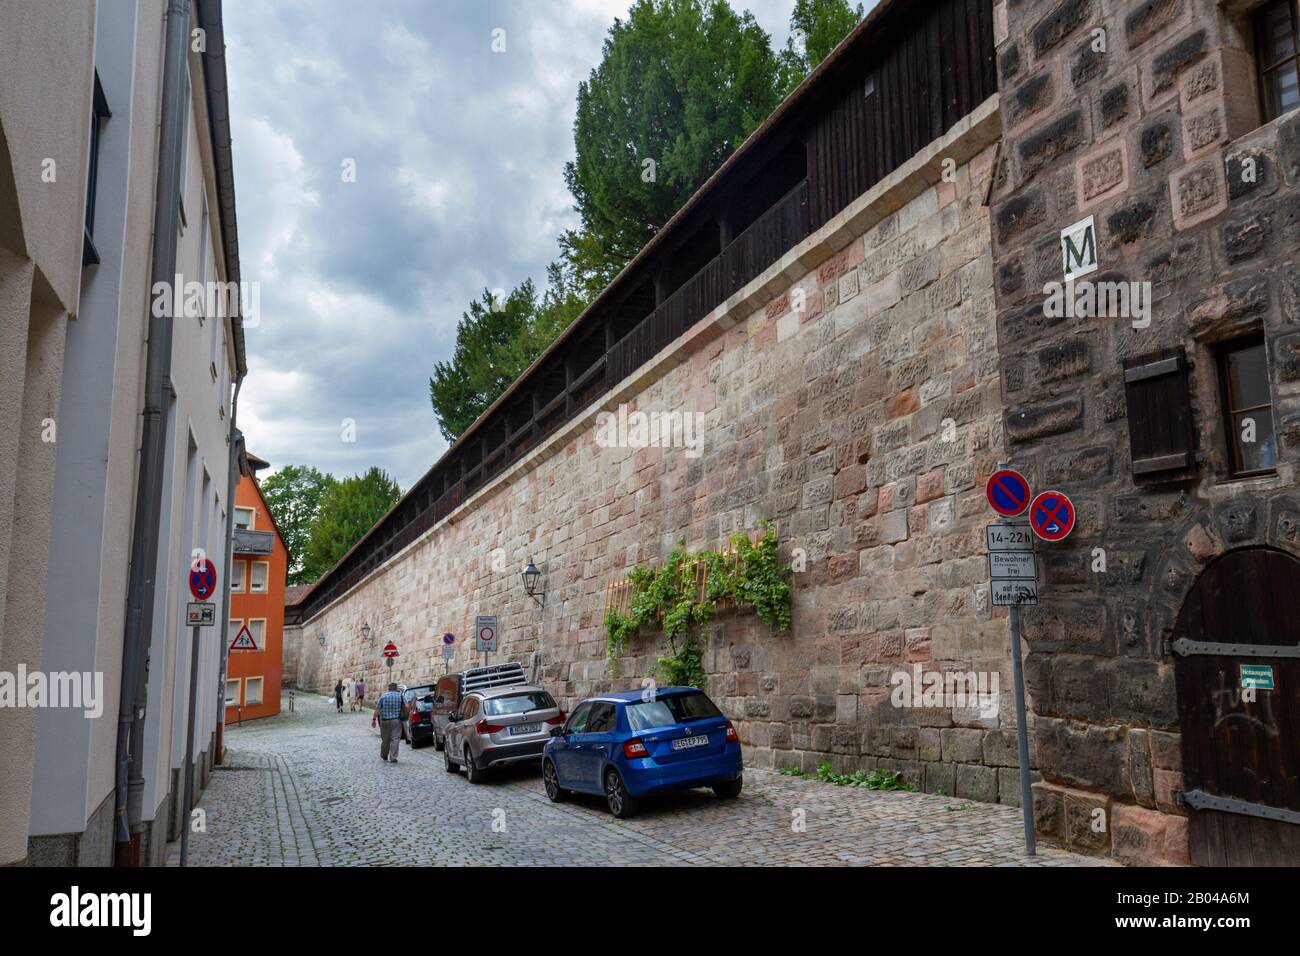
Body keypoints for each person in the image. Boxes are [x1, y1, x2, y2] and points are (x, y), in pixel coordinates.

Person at [372, 682, 406, 763]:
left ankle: (384, 755)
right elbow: (405, 707)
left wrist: (374, 719)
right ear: (396, 688)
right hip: (396, 721)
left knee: (385, 739)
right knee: (395, 739)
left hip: (385, 721)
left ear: (389, 688)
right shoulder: (400, 696)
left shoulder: (383, 696)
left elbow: (377, 709)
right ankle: (393, 757)